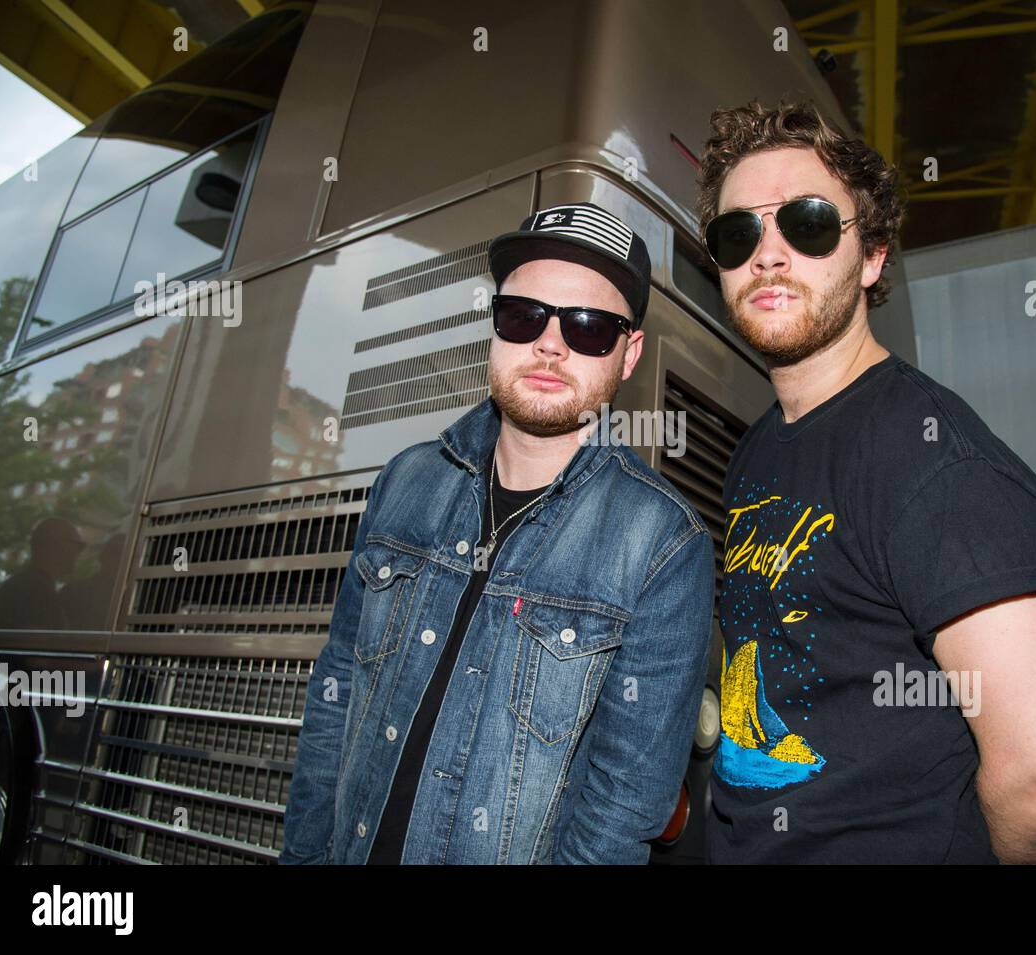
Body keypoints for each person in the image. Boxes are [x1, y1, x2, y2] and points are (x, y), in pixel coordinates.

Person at [694, 100, 1036, 864]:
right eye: (738, 232)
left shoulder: (933, 457)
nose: (768, 254)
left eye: (807, 224)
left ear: (873, 256)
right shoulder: (755, 453)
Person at [281, 201, 715, 864]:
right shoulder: (405, 484)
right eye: (523, 316)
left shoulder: (662, 545)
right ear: (496, 326)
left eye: (590, 328)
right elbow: (331, 710)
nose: (549, 343)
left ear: (629, 355)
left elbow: (620, 816)